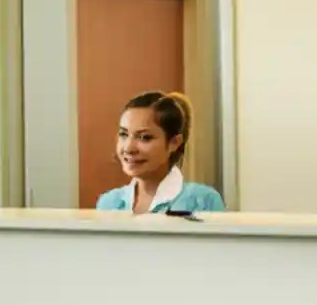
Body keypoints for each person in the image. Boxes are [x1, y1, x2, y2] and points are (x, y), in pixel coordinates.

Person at [96, 90, 225, 214]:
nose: (129, 148)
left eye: (145, 137)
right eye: (124, 134)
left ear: (174, 142)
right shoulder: (109, 203)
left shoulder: (203, 202)